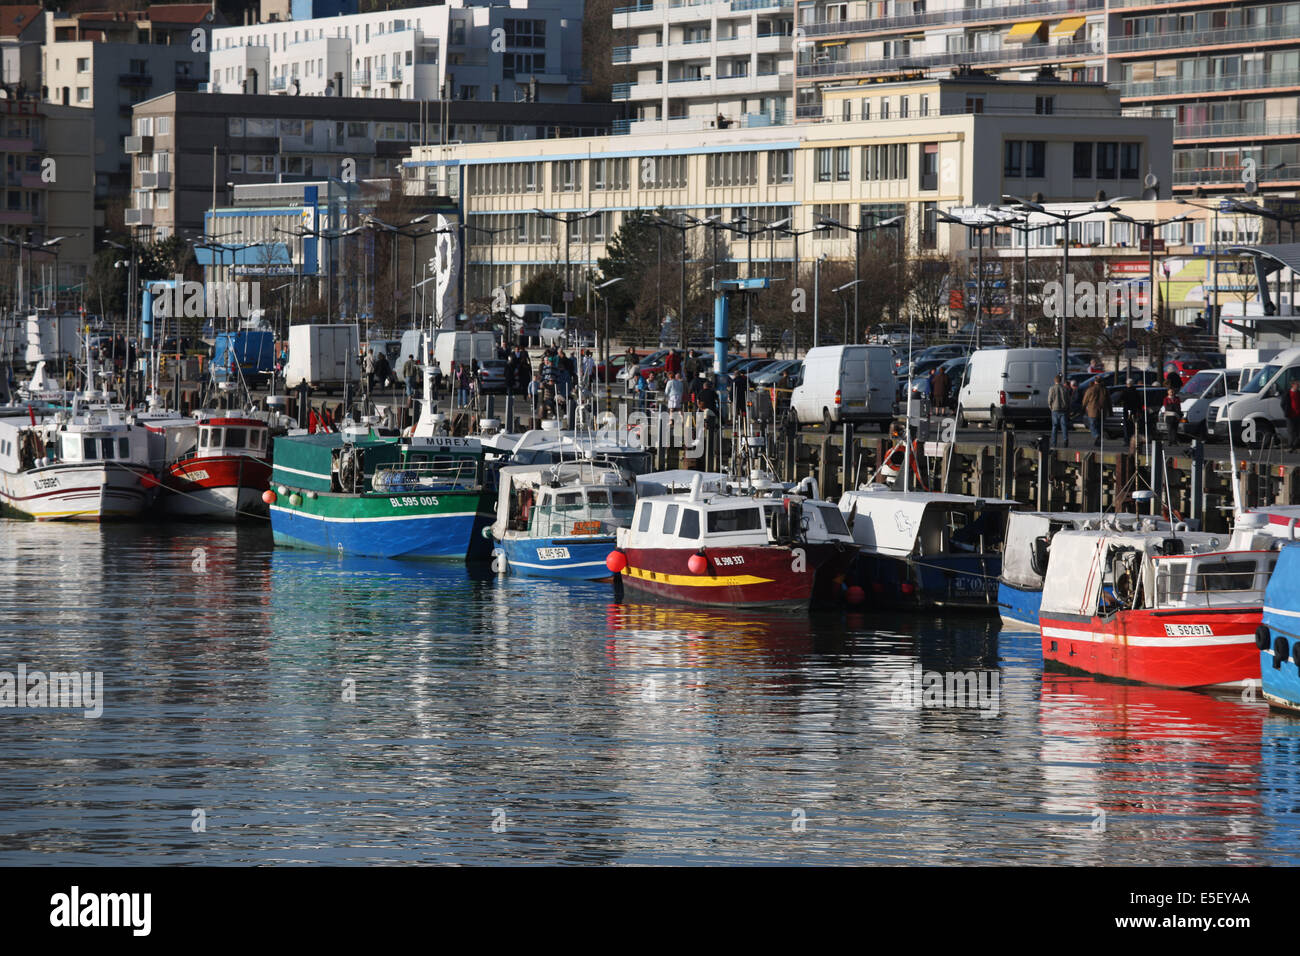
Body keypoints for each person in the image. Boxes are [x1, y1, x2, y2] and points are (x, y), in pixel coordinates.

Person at [1082, 376, 1107, 447]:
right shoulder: (1104, 389)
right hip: (1102, 411)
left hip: (1092, 411)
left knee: (1092, 425)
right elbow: (1109, 401)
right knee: (1099, 426)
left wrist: (1083, 407)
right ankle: (1098, 441)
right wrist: (1110, 411)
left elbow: (1085, 399)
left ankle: (1096, 436)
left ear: (1095, 381)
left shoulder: (1091, 389)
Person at [1048, 374, 1070, 449]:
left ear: (1055, 380)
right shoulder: (1064, 388)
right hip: (1063, 409)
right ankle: (1065, 439)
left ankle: (1054, 443)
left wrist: (1051, 407)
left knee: (1054, 426)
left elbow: (1049, 400)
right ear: (1060, 380)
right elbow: (1068, 399)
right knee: (1064, 426)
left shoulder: (1052, 388)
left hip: (1055, 409)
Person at [1121, 378, 1143, 444]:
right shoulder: (1136, 392)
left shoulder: (1124, 391)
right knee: (1133, 425)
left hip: (1126, 410)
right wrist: (1139, 410)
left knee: (1126, 425)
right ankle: (1132, 439)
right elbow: (1139, 402)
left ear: (1127, 384)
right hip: (1134, 410)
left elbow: (1120, 399)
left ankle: (1127, 440)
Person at [1287, 381, 1300, 451]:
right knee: (1291, 431)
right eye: (1297, 385)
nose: (1298, 386)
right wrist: (1287, 411)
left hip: (1298, 415)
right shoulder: (1288, 393)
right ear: (1293, 385)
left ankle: (1295, 445)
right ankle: (1290, 446)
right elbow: (1283, 403)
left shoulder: (1298, 393)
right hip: (1290, 415)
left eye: (1298, 385)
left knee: (1297, 431)